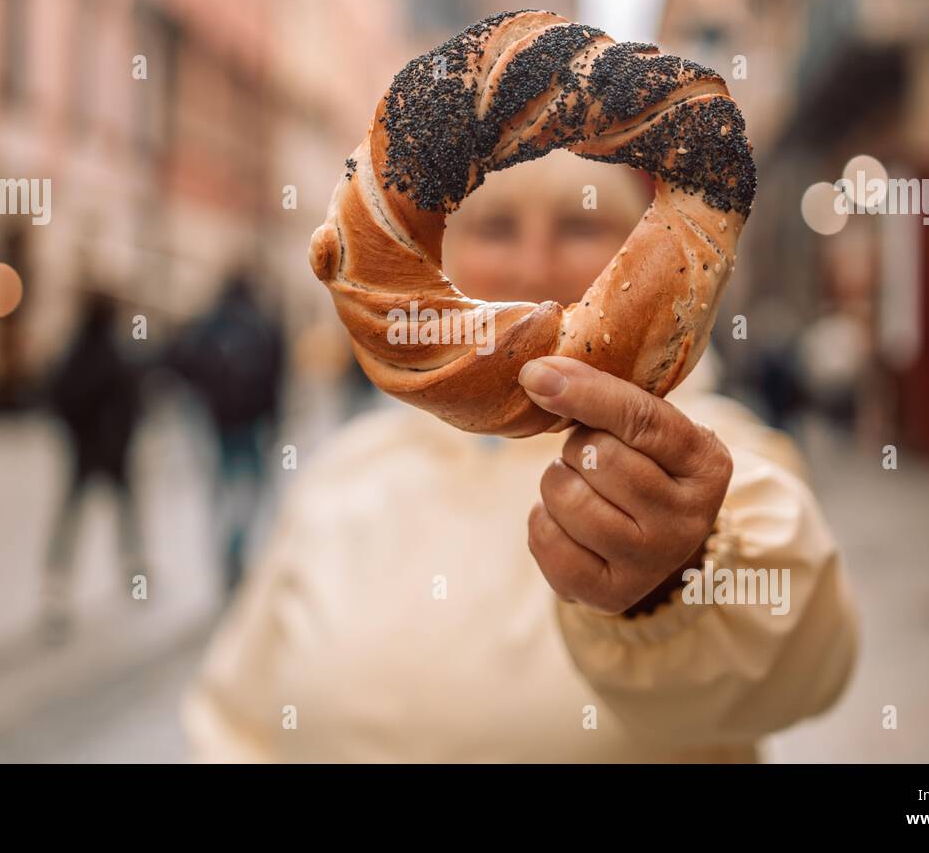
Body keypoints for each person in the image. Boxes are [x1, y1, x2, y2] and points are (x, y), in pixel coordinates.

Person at [183, 153, 858, 762]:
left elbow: (804, 661)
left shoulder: (710, 459)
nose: (534, 269)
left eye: (579, 226)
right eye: (497, 228)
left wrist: (678, 583)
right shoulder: (348, 470)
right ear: (442, 261)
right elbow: (237, 721)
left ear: (647, 259)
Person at [169, 276, 284, 597]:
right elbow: (274, 376)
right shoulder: (259, 323)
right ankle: (237, 544)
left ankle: (226, 549)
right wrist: (274, 420)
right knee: (256, 490)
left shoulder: (209, 323)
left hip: (219, 422)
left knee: (221, 488)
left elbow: (182, 363)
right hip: (250, 423)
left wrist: (204, 400)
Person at [42, 291, 146, 642]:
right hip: (113, 454)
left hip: (86, 452)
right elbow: (134, 404)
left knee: (71, 519)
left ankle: (57, 586)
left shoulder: (78, 352)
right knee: (125, 516)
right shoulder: (118, 353)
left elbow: (58, 397)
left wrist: (78, 435)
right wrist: (120, 438)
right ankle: (134, 574)